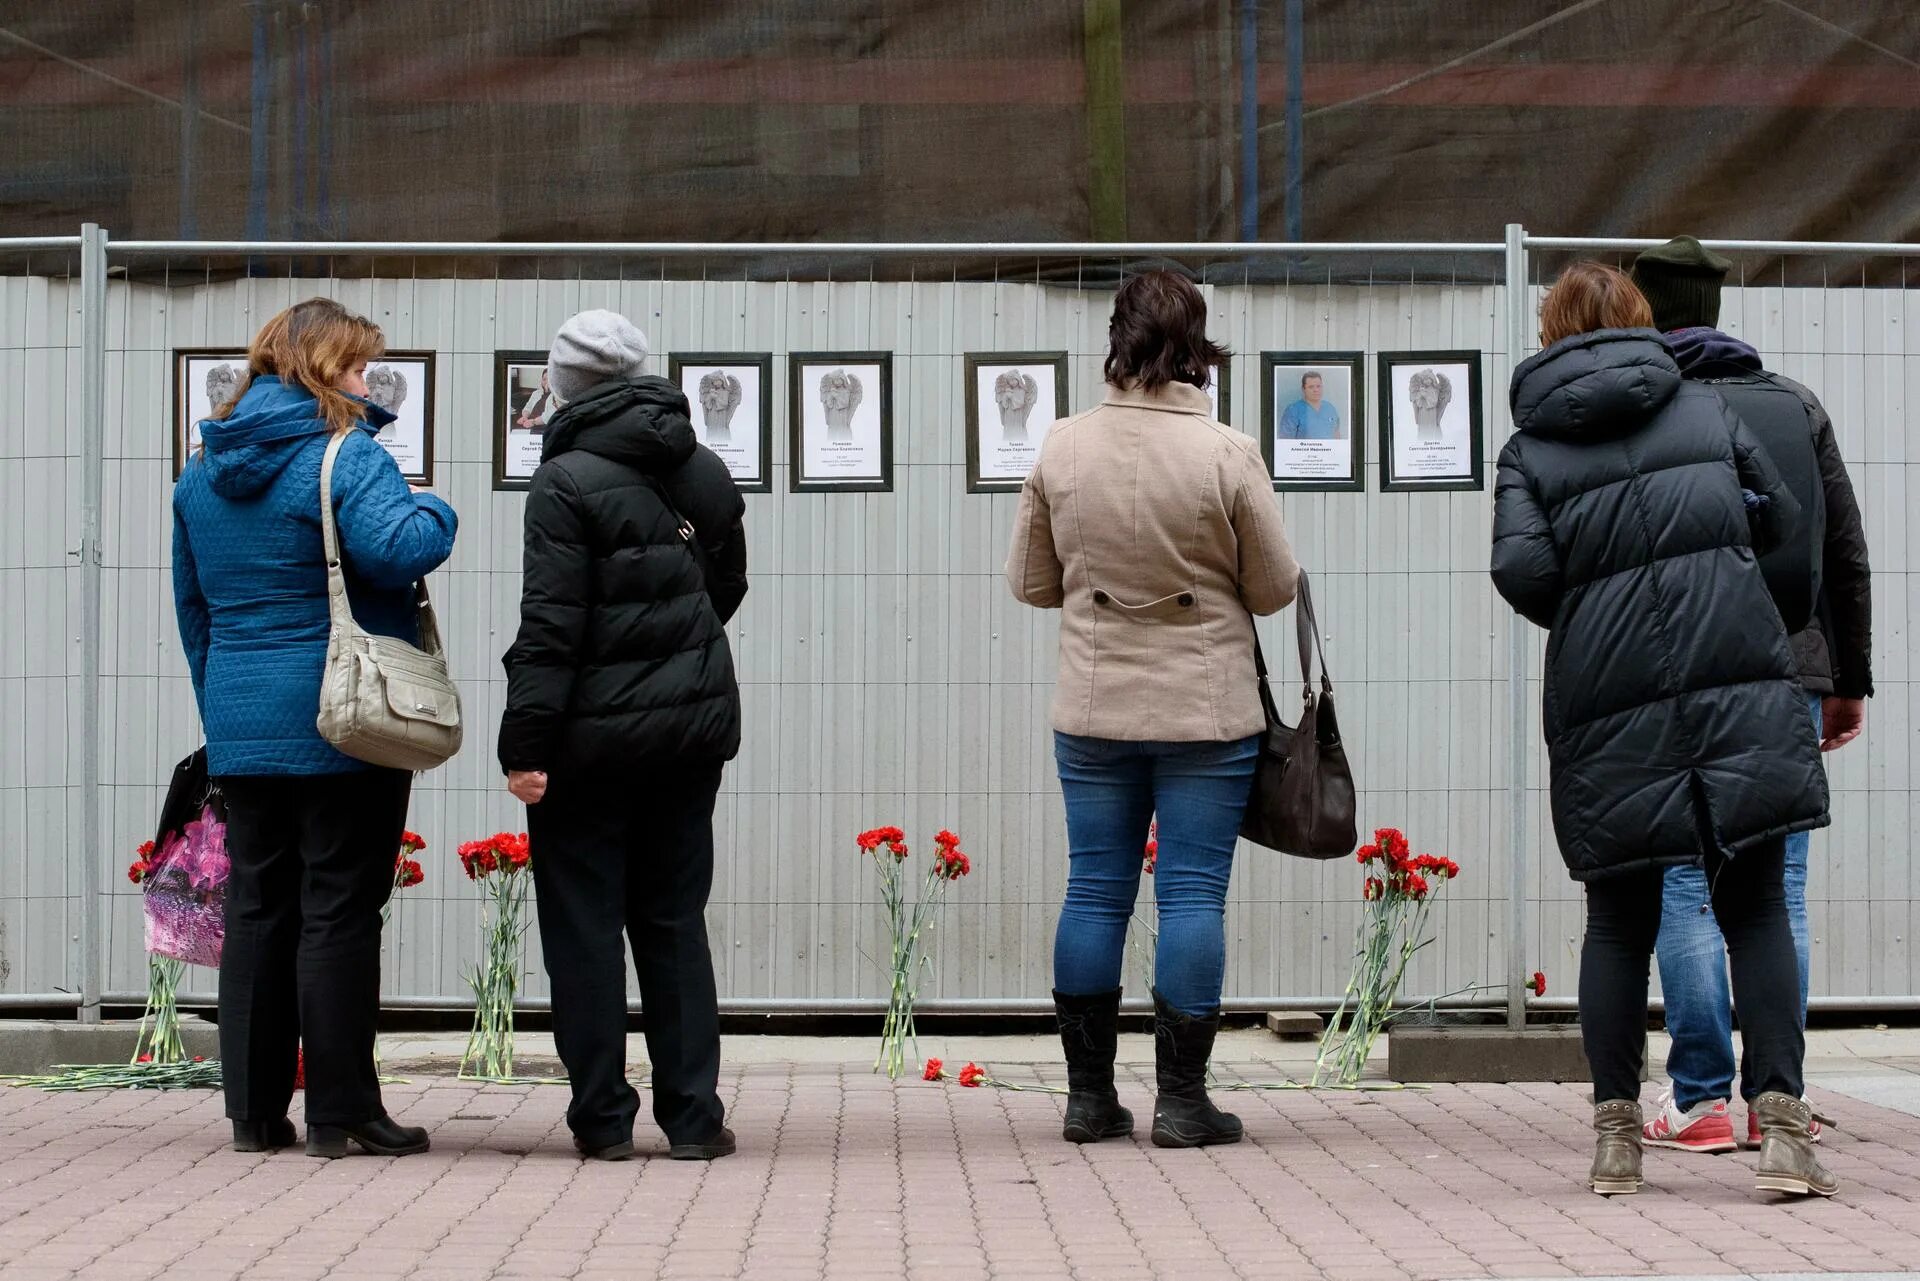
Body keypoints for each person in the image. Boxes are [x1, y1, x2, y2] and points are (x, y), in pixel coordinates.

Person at [1491, 262, 1834, 1199]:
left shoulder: (1530, 449)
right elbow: (1784, 526)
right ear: (1640, 323)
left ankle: (1615, 1143)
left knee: (1619, 918)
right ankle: (1787, 1135)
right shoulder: (1705, 413)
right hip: (1736, 674)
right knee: (1756, 904)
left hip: (1607, 694)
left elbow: (1522, 573)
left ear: (1552, 332)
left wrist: (1598, 600)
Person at [1005, 270, 1299, 1149]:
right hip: (1206, 712)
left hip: (1093, 706)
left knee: (1094, 889)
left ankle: (1089, 1099)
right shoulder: (1226, 452)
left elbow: (1030, 582)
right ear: (1196, 347)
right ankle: (1182, 1101)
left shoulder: (1063, 445)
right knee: (1192, 895)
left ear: (1116, 339)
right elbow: (1276, 587)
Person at [172, 298, 457, 1158]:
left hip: (244, 720)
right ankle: (342, 1111)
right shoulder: (346, 454)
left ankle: (255, 1115)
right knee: (339, 906)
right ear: (325, 368)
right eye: (362, 366)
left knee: (258, 908)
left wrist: (225, 716)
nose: (371, 382)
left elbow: (195, 612)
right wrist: (437, 507)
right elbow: (401, 548)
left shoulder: (199, 472)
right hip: (345, 719)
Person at [1629, 237, 1873, 1155]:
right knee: (1785, 890)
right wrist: (1846, 680)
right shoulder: (1794, 405)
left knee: (1686, 883)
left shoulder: (1649, 408)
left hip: (1678, 670)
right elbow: (1841, 551)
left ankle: (1700, 1099)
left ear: (1647, 312)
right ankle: (1784, 1094)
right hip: (1792, 670)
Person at [498, 309, 748, 1163]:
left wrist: (524, 743)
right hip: (689, 731)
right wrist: (667, 662)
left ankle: (603, 1120)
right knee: (674, 920)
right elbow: (725, 585)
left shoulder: (564, 480)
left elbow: (552, 625)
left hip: (587, 747)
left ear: (564, 386)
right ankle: (694, 1119)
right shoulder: (700, 464)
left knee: (584, 927)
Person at [1278, 371, 1340, 439]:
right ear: (1303, 389)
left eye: (1318, 386)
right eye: (1311, 387)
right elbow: (1285, 441)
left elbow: (1336, 435)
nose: (1316, 390)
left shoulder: (1330, 408)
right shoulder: (1293, 411)